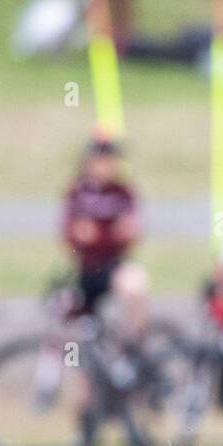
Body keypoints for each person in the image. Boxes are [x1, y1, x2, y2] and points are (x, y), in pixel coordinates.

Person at [61, 136, 148, 336]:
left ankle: (133, 347)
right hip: (84, 269)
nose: (106, 166)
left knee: (136, 283)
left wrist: (97, 234)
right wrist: (107, 233)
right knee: (72, 324)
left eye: (111, 160)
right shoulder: (77, 193)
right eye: (101, 160)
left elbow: (130, 232)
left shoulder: (123, 192)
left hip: (113, 265)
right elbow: (71, 234)